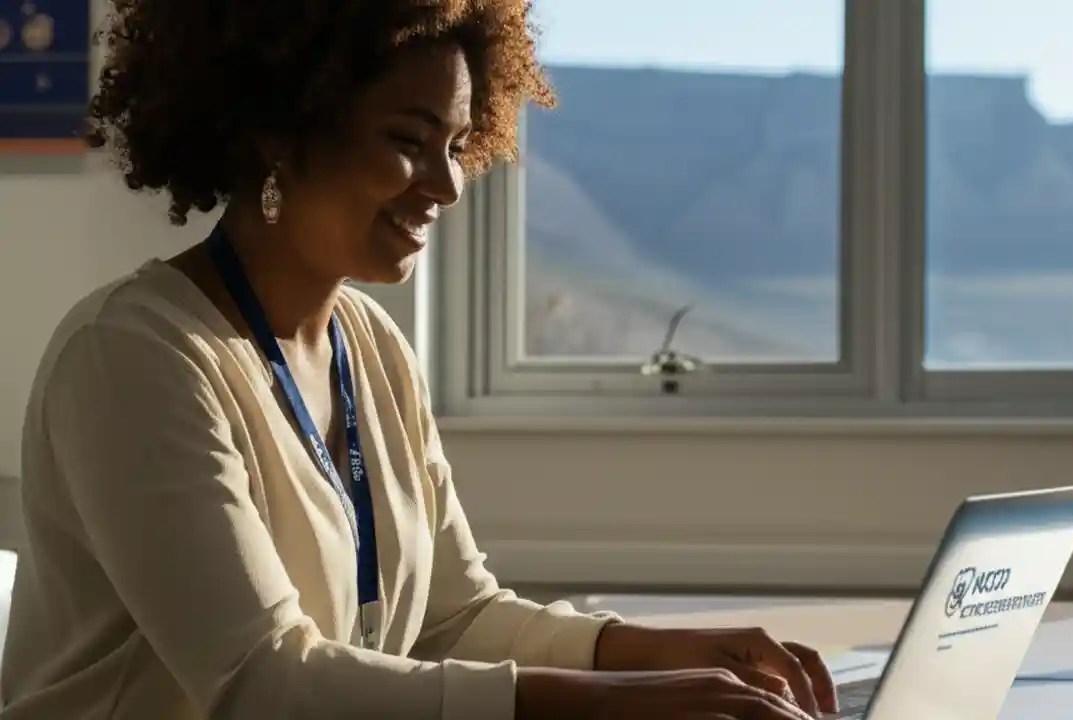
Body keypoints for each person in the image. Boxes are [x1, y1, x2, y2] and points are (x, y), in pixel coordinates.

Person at [0, 2, 837, 719]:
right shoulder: (133, 359)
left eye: (459, 142)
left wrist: (665, 653)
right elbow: (262, 685)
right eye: (409, 139)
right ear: (276, 133)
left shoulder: (370, 347)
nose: (447, 183)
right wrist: (622, 702)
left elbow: (455, 617)